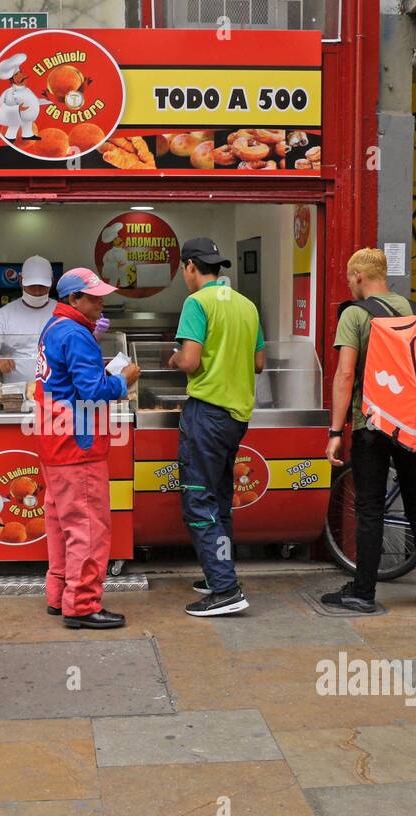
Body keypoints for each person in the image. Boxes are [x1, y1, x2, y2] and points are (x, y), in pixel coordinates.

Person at [323, 247, 416, 613]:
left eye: (349, 278)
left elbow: (346, 375)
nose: (349, 284)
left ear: (359, 276)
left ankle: (363, 593)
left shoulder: (355, 315)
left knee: (371, 507)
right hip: (412, 425)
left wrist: (335, 430)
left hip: (372, 424)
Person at [35, 268, 140, 629]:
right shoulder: (75, 334)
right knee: (88, 527)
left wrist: (90, 333)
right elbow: (93, 391)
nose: (101, 301)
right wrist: (121, 380)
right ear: (72, 300)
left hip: (53, 443)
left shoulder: (53, 327)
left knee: (62, 524)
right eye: (93, 297)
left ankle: (59, 593)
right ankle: (81, 605)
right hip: (78, 446)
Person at [169, 237, 265, 617]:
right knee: (220, 500)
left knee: (198, 500)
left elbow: (190, 361)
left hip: (206, 414)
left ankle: (225, 589)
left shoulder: (197, 303)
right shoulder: (246, 305)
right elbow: (259, 363)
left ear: (190, 266)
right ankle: (217, 574)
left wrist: (174, 358)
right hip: (236, 417)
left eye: (184, 270)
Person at [0, 255, 57, 384]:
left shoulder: (62, 312)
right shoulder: (5, 314)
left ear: (51, 282)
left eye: (42, 286)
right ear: (21, 281)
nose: (38, 292)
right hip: (16, 392)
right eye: (32, 286)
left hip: (55, 392)